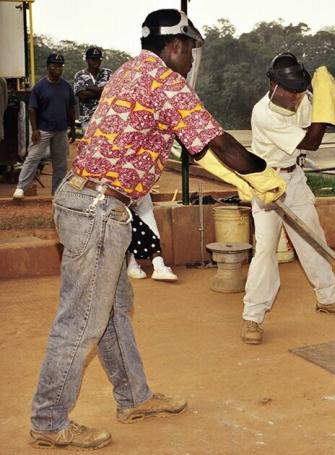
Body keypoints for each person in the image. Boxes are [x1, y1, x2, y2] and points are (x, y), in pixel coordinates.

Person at [29, 9, 285, 451]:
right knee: (82, 320)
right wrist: (261, 174)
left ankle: (134, 398)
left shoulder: (132, 71)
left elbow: (195, 146)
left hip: (94, 202)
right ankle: (49, 420)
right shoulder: (166, 81)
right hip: (97, 207)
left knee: (111, 313)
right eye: (190, 52)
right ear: (175, 46)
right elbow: (217, 142)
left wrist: (238, 175)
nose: (190, 62)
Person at [240, 52, 335, 345]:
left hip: (294, 177)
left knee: (312, 238)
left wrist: (334, 96)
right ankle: (252, 317)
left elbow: (321, 120)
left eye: (300, 91)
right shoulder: (264, 113)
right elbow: (312, 141)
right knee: (266, 250)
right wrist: (322, 107)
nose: (296, 98)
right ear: (272, 85)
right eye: (290, 92)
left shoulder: (299, 99)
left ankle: (327, 298)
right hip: (267, 182)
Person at [13, 53, 76, 200]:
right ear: (48, 67)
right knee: (33, 158)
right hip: (43, 130)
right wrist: (34, 129)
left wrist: (72, 128)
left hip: (61, 130)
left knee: (60, 163)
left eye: (60, 66)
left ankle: (57, 192)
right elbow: (32, 109)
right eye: (55, 65)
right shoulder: (40, 87)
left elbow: (71, 109)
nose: (58, 69)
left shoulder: (66, 87)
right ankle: (21, 188)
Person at [126, 193, 177, 281]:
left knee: (150, 224)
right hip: (112, 193)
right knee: (127, 219)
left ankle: (159, 265)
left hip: (139, 190)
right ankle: (131, 261)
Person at [73, 47, 112, 134]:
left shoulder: (107, 73)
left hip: (105, 117)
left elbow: (111, 91)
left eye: (99, 59)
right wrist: (102, 91)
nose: (97, 61)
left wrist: (88, 87)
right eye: (93, 59)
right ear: (87, 60)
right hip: (87, 119)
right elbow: (83, 96)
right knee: (89, 145)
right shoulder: (80, 75)